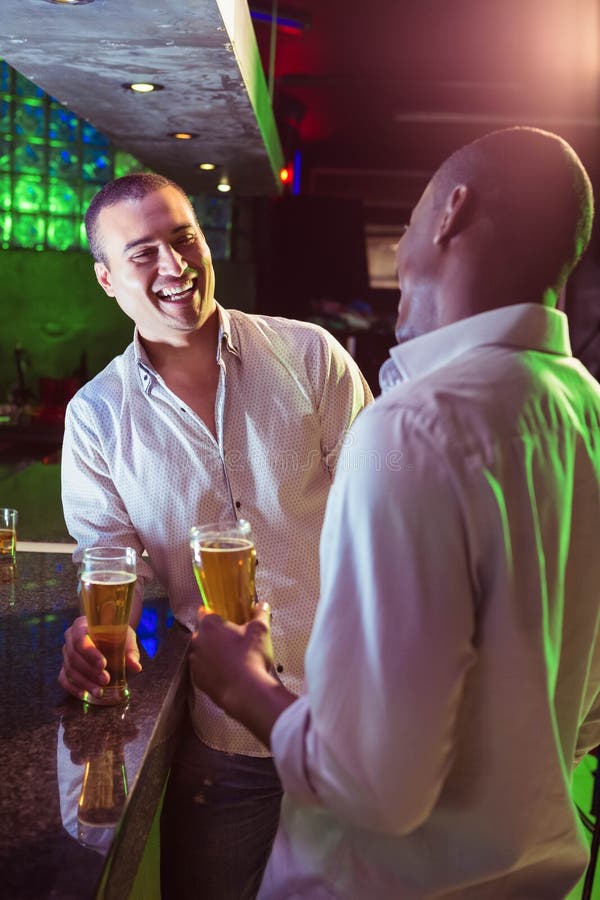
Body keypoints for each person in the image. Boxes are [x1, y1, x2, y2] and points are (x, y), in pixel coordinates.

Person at [189, 126, 600, 899]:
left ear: (451, 213)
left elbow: (373, 788)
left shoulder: (414, 426)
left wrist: (244, 683)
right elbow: (587, 714)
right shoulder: (589, 412)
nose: (400, 254)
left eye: (406, 224)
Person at [57, 172, 372, 899]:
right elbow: (113, 567)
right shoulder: (96, 417)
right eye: (143, 253)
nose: (174, 266)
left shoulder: (312, 355)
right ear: (107, 279)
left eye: (185, 238)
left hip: (352, 723)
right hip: (227, 745)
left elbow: (385, 515)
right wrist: (94, 631)